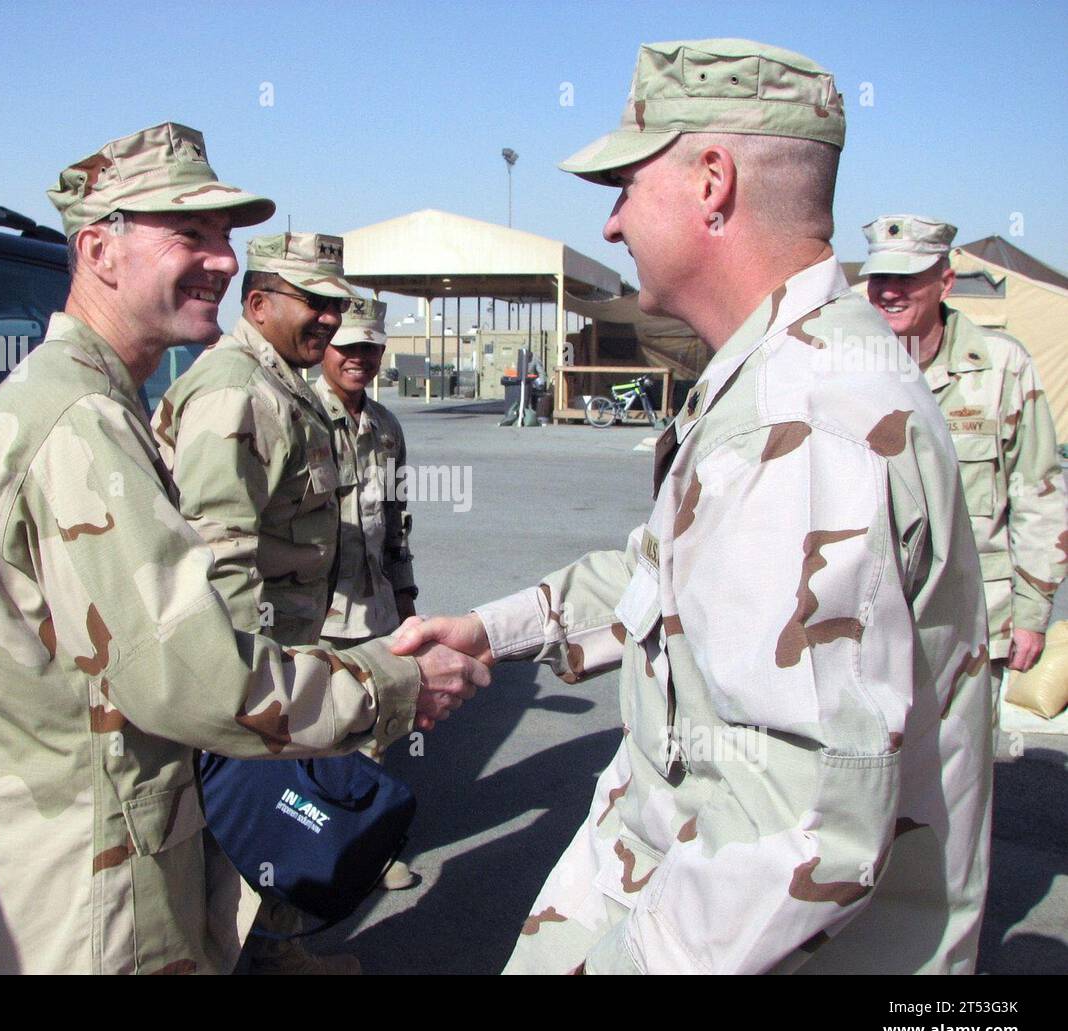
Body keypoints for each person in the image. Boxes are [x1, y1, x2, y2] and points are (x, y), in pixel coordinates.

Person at [393, 39, 993, 974]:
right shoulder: (775, 377)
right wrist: (490, 629)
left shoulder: (801, 419)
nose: (613, 221)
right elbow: (663, 582)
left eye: (627, 183)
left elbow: (797, 836)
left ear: (712, 180)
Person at [0, 122, 488, 975]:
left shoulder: (79, 402)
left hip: (64, 855)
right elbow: (196, 676)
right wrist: (399, 680)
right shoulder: (81, 425)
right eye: (191, 234)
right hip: (83, 886)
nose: (223, 259)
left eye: (225, 236)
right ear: (100, 249)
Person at [153, 231, 369, 973]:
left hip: (283, 660)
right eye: (315, 303)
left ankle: (281, 954)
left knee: (268, 840)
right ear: (259, 302)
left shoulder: (281, 384)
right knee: (225, 852)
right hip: (248, 671)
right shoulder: (234, 392)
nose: (331, 321)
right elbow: (220, 561)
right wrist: (249, 701)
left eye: (336, 305)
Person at [861, 214, 1068, 714]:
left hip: (973, 622)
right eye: (880, 278)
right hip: (867, 617)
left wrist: (1033, 614)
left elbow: (1037, 492)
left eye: (907, 278)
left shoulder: (1002, 368)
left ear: (945, 281)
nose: (890, 292)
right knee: (868, 779)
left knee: (963, 782)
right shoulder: (848, 365)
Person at [314, 297, 419, 889]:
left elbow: (398, 522)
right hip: (313, 613)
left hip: (374, 605)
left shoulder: (386, 427)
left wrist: (405, 598)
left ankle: (368, 849)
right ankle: (312, 848)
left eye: (371, 348)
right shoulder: (299, 416)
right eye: (348, 347)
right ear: (325, 349)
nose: (360, 358)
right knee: (314, 733)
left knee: (376, 729)